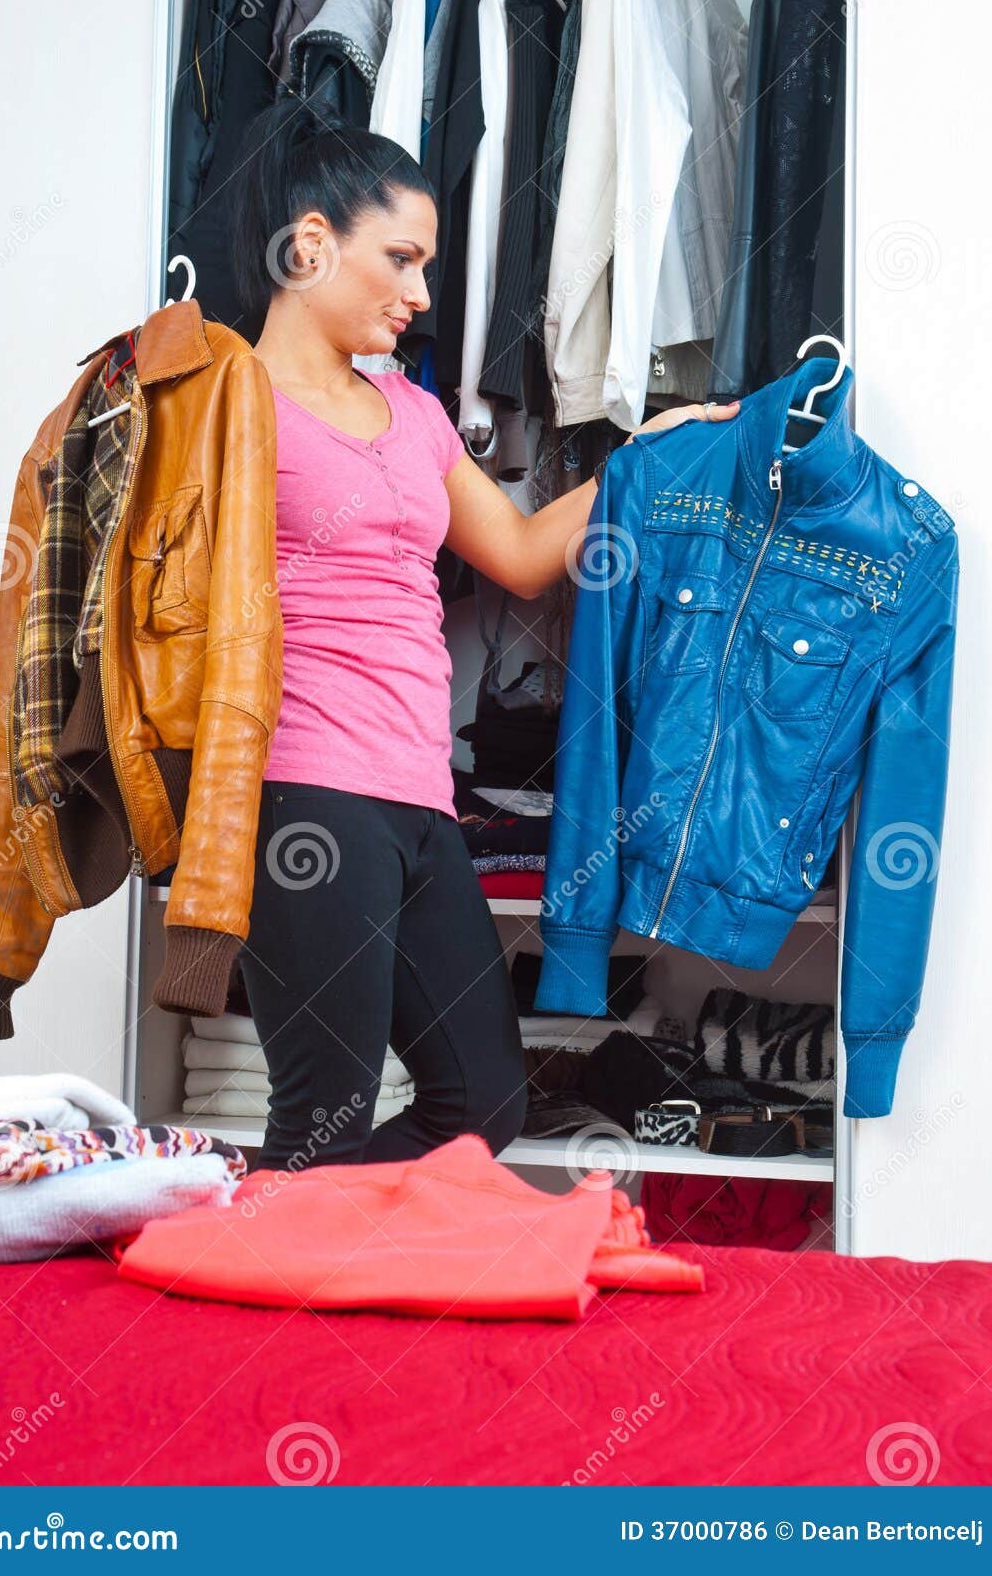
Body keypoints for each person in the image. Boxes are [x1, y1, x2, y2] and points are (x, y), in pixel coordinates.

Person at [227, 98, 740, 1172]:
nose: (420, 295)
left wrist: (642, 453)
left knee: (480, 1101)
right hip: (303, 783)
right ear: (311, 244)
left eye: (427, 268)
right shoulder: (229, 402)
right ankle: (259, 1305)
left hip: (416, 789)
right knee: (325, 1100)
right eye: (400, 260)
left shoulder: (410, 412)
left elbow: (512, 547)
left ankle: (269, 1236)